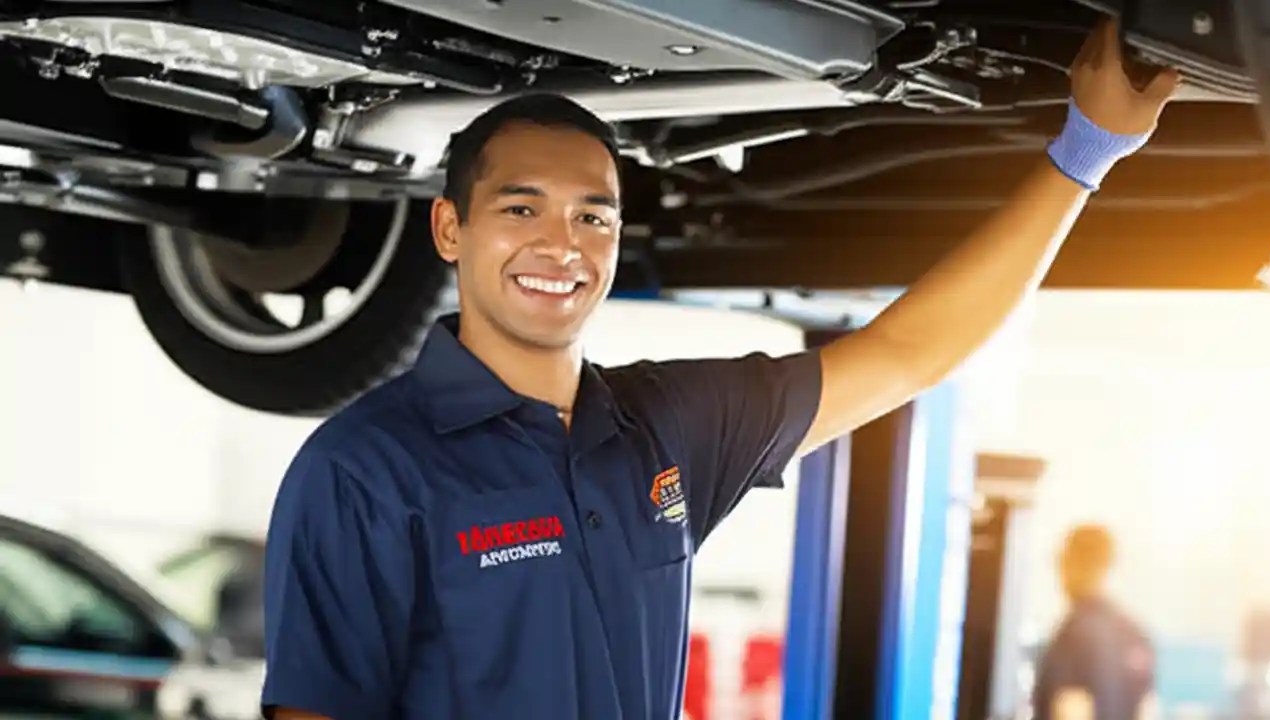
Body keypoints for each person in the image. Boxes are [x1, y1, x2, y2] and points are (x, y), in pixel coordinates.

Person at [260, 19, 1179, 720]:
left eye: (593, 217)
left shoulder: (667, 428)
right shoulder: (364, 472)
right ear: (450, 229)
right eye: (522, 209)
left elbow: (908, 352)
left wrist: (1085, 152)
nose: (560, 245)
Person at [1032, 525, 1156, 720]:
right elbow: (1147, 712)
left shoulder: (1075, 634)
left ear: (1069, 562)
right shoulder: (1136, 635)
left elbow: (1071, 711)